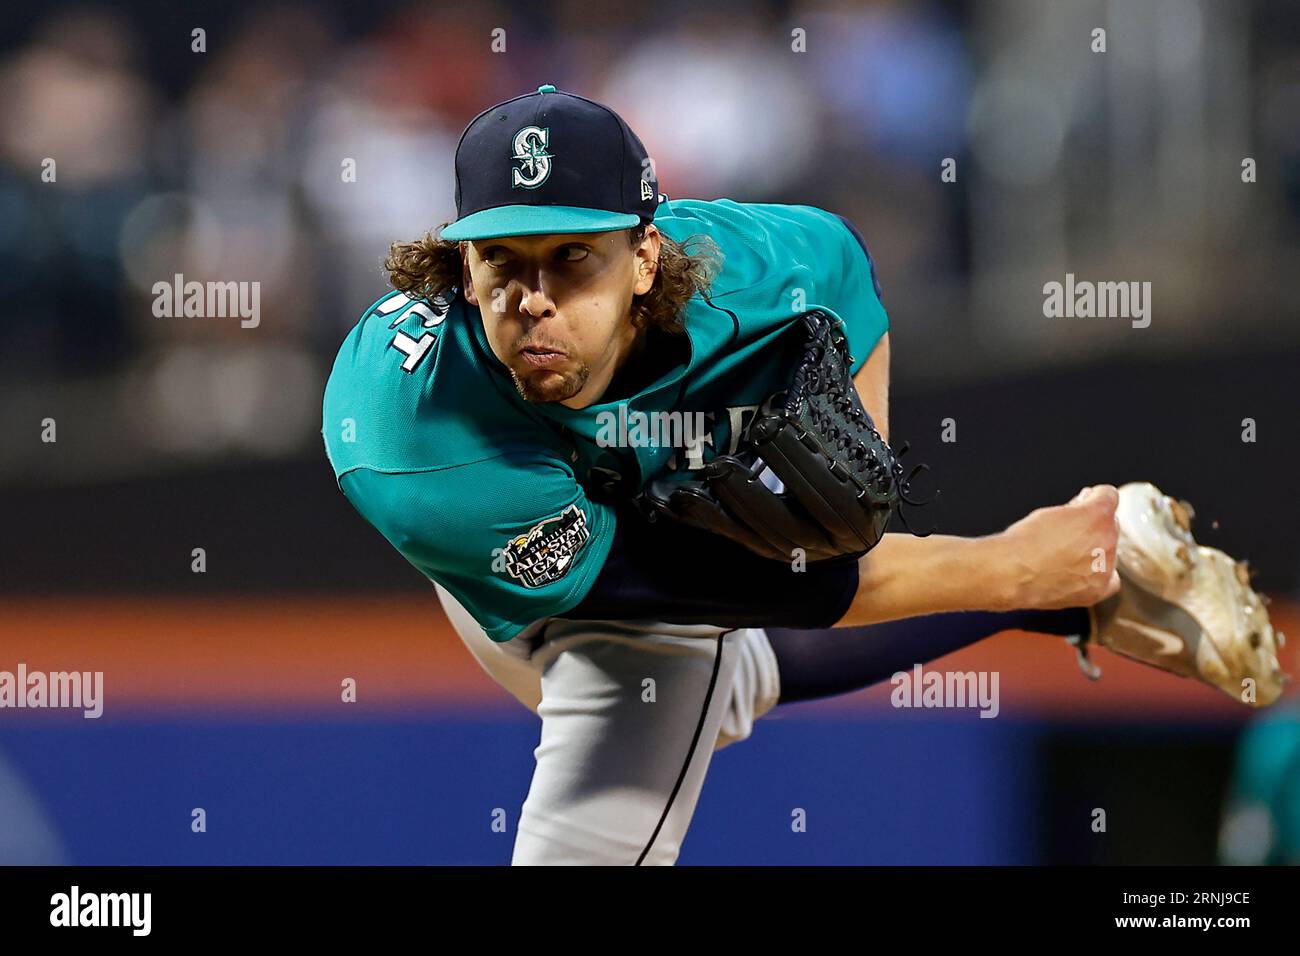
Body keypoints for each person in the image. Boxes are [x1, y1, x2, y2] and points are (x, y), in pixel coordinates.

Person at [322, 85, 1286, 865]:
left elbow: (840, 263)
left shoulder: (737, 271)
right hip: (503, 524)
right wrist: (1012, 569)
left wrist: (858, 494)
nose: (535, 298)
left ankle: (1082, 589)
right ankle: (1084, 583)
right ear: (458, 266)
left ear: (647, 256)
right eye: (502, 262)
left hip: (614, 509)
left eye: (574, 258)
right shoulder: (411, 436)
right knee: (709, 666)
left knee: (648, 725)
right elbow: (719, 588)